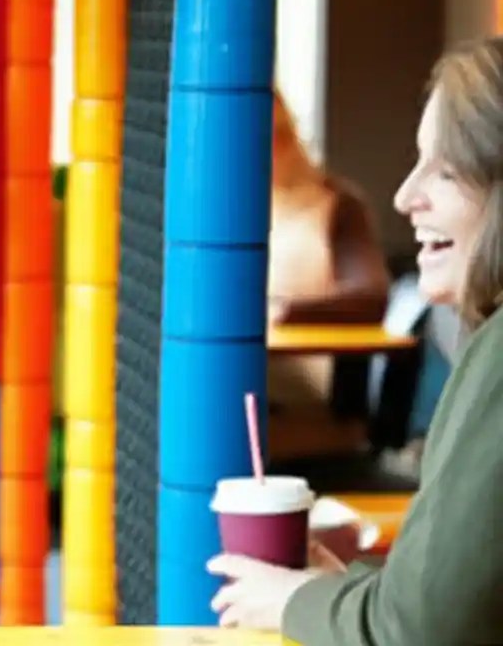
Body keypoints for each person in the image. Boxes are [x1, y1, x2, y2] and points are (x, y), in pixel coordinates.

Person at [209, 37, 503, 644]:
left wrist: (296, 599)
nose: (404, 197)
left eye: (445, 170)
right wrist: (337, 593)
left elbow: (424, 629)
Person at [265, 89, 391, 459]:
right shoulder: (220, 213)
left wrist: (284, 311)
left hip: (308, 413)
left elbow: (371, 297)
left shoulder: (337, 206)